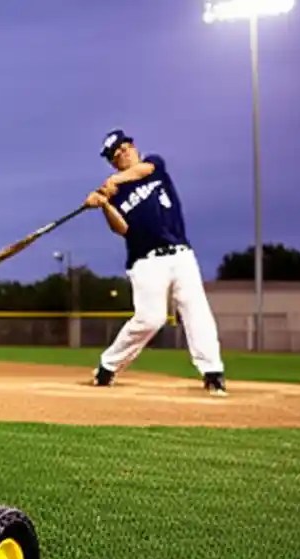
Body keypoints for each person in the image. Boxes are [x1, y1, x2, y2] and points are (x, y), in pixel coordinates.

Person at [83, 128, 227, 396]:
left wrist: (111, 181)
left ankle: (213, 373)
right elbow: (122, 228)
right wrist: (103, 202)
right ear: (113, 160)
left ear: (133, 146)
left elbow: (143, 171)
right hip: (145, 261)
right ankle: (107, 366)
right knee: (150, 319)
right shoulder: (116, 194)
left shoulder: (154, 165)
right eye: (116, 155)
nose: (123, 154)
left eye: (124, 148)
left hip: (181, 254)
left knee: (196, 311)